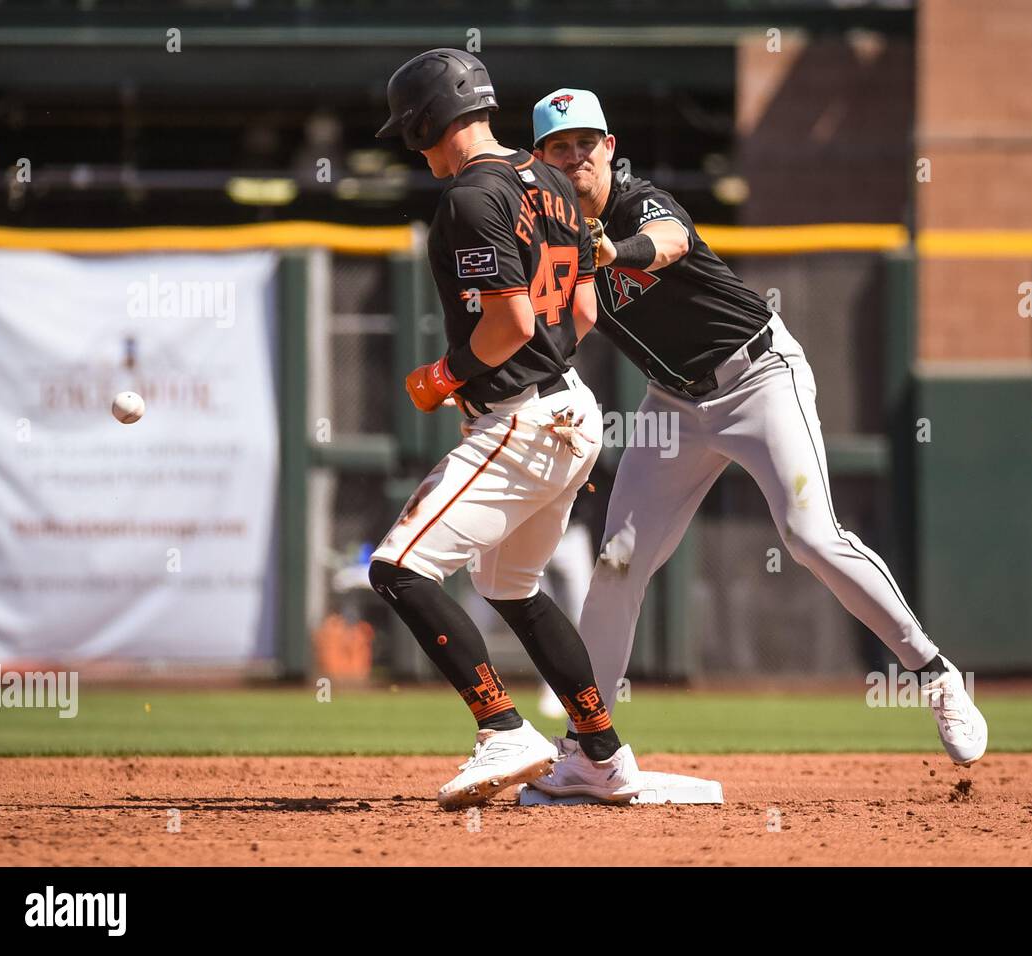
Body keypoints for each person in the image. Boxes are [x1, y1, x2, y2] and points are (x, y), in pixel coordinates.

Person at [528, 88, 988, 794]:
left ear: (610, 149)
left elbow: (670, 243)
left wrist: (612, 249)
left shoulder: (636, 202)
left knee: (809, 536)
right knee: (617, 563)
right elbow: (575, 321)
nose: (576, 156)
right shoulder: (552, 239)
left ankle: (936, 675)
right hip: (673, 403)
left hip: (758, 376)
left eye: (586, 142)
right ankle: (590, 750)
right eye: (559, 147)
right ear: (541, 160)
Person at [367, 53, 644, 809]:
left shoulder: (468, 196)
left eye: (413, 132)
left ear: (428, 120)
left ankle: (503, 729)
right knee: (512, 587)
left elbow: (511, 323)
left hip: (521, 418)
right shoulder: (553, 180)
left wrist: (445, 377)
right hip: (572, 410)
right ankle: (603, 755)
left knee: (398, 569)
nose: (415, 148)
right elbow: (581, 313)